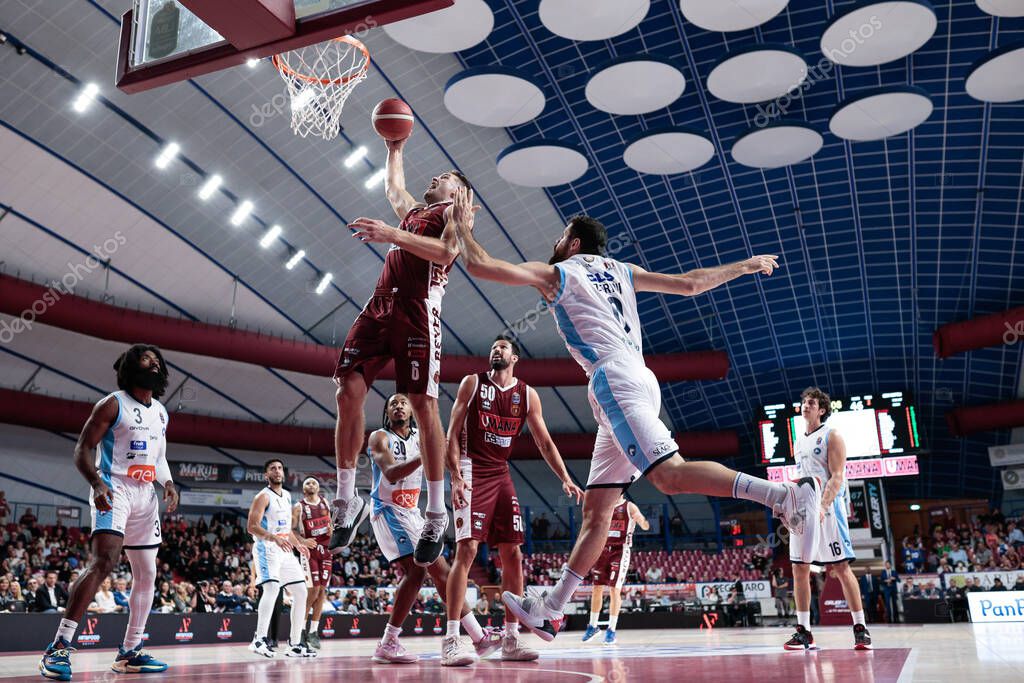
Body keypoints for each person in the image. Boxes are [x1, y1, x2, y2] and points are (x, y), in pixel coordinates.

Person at [438, 191, 821, 641]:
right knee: (597, 509)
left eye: (563, 236)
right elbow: (692, 283)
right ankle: (553, 610)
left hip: (614, 381)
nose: (557, 242)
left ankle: (783, 497)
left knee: (669, 477)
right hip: (637, 379)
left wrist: (460, 223)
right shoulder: (624, 271)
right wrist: (744, 265)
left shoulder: (559, 274)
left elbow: (482, 265)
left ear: (575, 244)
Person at [330, 135, 476, 568]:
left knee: (422, 404)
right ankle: (345, 499)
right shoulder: (415, 212)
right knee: (346, 389)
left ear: (458, 192)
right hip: (381, 303)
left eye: (444, 177)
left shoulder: (454, 212)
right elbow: (394, 189)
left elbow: (448, 251)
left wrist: (390, 233)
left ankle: (434, 513)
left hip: (417, 309)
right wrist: (394, 147)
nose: (435, 178)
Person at [40, 344, 177, 681]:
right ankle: (58, 647)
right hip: (113, 490)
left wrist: (169, 482)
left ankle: (129, 652)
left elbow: (158, 458)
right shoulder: (112, 403)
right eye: (146, 359)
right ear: (132, 367)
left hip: (146, 496)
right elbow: (82, 448)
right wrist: (96, 482)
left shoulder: (161, 411)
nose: (154, 364)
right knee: (104, 563)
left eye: (157, 360)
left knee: (148, 574)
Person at [443, 336, 584, 664]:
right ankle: (451, 639)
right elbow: (451, 434)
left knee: (514, 553)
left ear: (515, 358)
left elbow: (545, 442)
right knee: (467, 550)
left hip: (501, 472)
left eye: (503, 347)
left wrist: (565, 477)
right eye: (493, 346)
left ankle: (510, 639)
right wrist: (455, 477)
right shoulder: (472, 384)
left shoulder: (527, 394)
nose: (496, 350)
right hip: (471, 468)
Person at [366, 394, 501, 665]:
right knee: (417, 571)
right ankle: (388, 641)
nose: (399, 406)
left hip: (414, 513)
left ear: (413, 410)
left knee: (444, 573)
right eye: (393, 403)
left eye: (403, 402)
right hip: (388, 510)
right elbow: (391, 473)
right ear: (387, 411)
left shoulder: (421, 435)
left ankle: (478, 638)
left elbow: (446, 456)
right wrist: (427, 453)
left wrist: (458, 478)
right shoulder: (379, 437)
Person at [783, 388, 871, 652]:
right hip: (802, 512)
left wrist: (821, 506)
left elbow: (837, 476)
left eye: (811, 403)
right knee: (799, 568)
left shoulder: (832, 435)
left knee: (841, 568)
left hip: (829, 512)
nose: (805, 406)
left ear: (821, 409)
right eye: (803, 402)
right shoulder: (798, 441)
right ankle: (804, 631)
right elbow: (800, 480)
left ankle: (860, 628)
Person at [246, 459, 316, 659]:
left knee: (301, 592)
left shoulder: (286, 496)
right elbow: (252, 526)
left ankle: (294, 644)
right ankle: (259, 639)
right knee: (272, 588)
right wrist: (273, 537)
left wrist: (299, 544)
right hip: (267, 547)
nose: (277, 471)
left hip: (285, 549)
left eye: (279, 468)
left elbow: (287, 530)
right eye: (272, 469)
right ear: (266, 475)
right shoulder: (263, 496)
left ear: (283, 474)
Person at [582, 498, 649, 644]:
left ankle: (611, 630)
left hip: (620, 551)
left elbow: (645, 526)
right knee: (596, 588)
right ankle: (593, 626)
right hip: (602, 549)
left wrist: (641, 520)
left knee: (614, 590)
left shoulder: (629, 506)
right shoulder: (604, 505)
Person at [293, 477, 333, 650]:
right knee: (313, 590)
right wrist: (302, 540)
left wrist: (332, 529)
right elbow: (291, 529)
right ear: (303, 489)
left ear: (318, 487)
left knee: (322, 591)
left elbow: (330, 524)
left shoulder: (325, 503)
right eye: (307, 483)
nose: (311, 485)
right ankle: (300, 630)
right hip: (309, 551)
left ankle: (313, 632)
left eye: (314, 483)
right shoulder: (299, 506)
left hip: (327, 550)